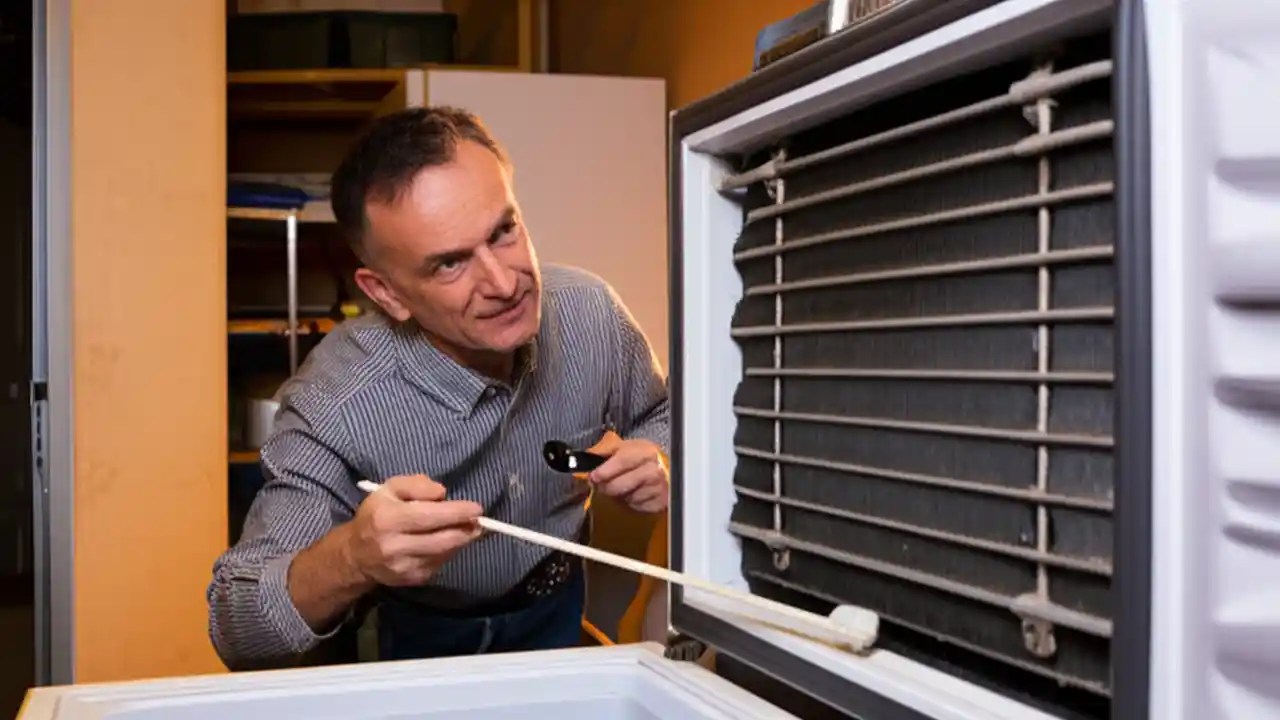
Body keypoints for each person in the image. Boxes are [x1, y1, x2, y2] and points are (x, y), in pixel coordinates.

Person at [207, 106, 670, 671]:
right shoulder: (335, 403)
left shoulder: (590, 313)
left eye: (504, 231)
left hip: (558, 611)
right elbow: (238, 625)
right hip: (413, 640)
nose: (505, 283)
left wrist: (660, 455)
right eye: (450, 264)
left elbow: (663, 415)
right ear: (387, 294)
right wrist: (353, 557)